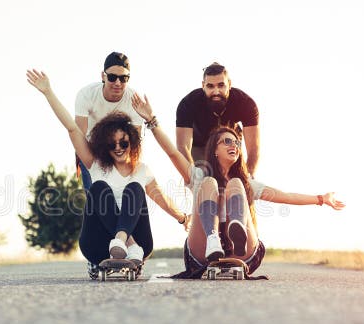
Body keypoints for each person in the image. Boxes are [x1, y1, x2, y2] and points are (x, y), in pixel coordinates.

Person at [134, 94, 345, 278]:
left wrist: (321, 199)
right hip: (203, 250)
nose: (233, 145)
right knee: (208, 182)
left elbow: (287, 196)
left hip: (241, 252)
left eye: (236, 142)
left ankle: (237, 230)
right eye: (226, 141)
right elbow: (173, 152)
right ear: (214, 150)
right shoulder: (198, 176)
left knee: (237, 184)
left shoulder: (247, 184)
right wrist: (152, 121)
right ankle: (213, 237)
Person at [26, 69, 189, 278]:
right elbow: (72, 129)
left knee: (135, 188)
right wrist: (48, 92)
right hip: (98, 245)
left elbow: (162, 199)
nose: (118, 147)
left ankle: (126, 243)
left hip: (142, 243)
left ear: (132, 142)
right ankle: (125, 244)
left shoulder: (142, 170)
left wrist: (184, 219)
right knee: (98, 188)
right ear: (104, 145)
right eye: (112, 144)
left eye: (124, 142)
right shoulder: (96, 164)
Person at [176, 62, 261, 176]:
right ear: (203, 85)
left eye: (221, 85)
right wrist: (193, 177)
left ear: (229, 84)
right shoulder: (188, 104)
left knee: (237, 179)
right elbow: (183, 147)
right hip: (200, 145)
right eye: (210, 86)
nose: (216, 92)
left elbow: (253, 149)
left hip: (229, 141)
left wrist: (249, 176)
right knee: (204, 179)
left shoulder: (246, 103)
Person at [75, 52, 145, 189]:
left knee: (123, 195)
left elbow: (134, 145)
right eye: (112, 77)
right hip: (92, 148)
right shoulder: (86, 94)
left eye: (123, 78)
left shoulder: (134, 100)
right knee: (95, 197)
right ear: (103, 76)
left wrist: (131, 174)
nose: (118, 83)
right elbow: (79, 136)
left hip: (119, 151)